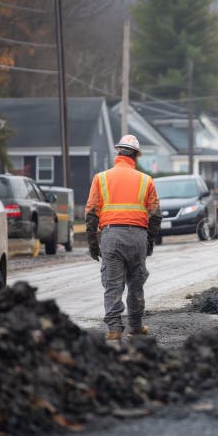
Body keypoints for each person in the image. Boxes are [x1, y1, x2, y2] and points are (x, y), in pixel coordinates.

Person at [85, 135, 162, 341]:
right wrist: (149, 240)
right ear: (136, 155)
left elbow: (92, 212)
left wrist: (93, 243)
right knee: (136, 283)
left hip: (111, 235)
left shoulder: (100, 178)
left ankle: (114, 329)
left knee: (113, 284)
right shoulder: (146, 180)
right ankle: (135, 326)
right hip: (138, 236)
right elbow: (155, 214)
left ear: (118, 152)